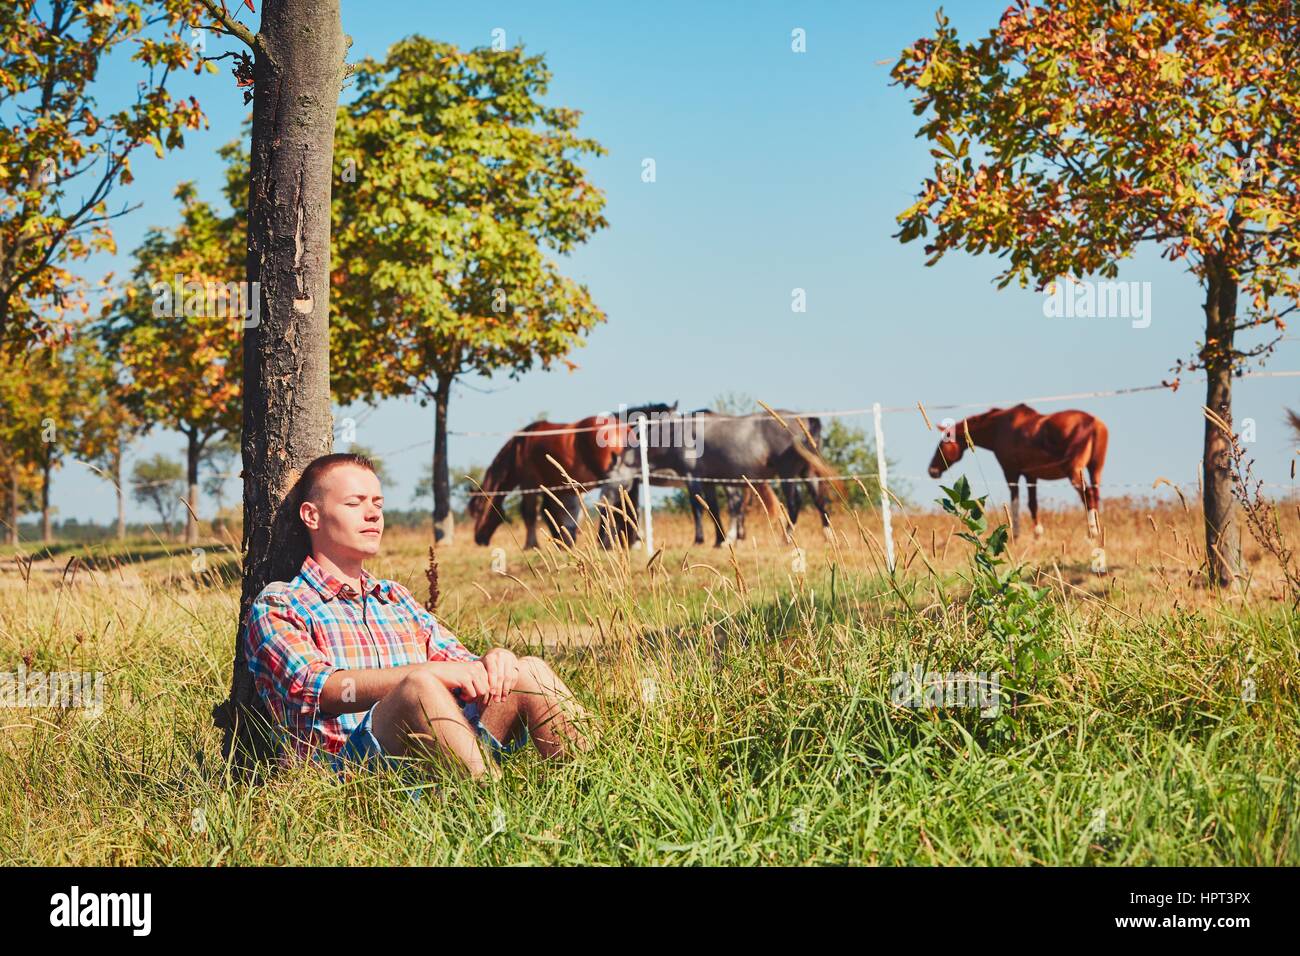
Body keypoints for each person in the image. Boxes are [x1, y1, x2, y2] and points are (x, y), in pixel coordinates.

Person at [242, 452, 591, 779]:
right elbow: (323, 690)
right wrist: (425, 675)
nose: (373, 514)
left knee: (528, 670)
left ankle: (592, 788)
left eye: (377, 504)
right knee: (418, 686)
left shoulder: (394, 598)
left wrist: (495, 662)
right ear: (311, 516)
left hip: (434, 748)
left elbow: (460, 664)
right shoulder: (281, 603)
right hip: (347, 771)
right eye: (354, 503)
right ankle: (489, 805)